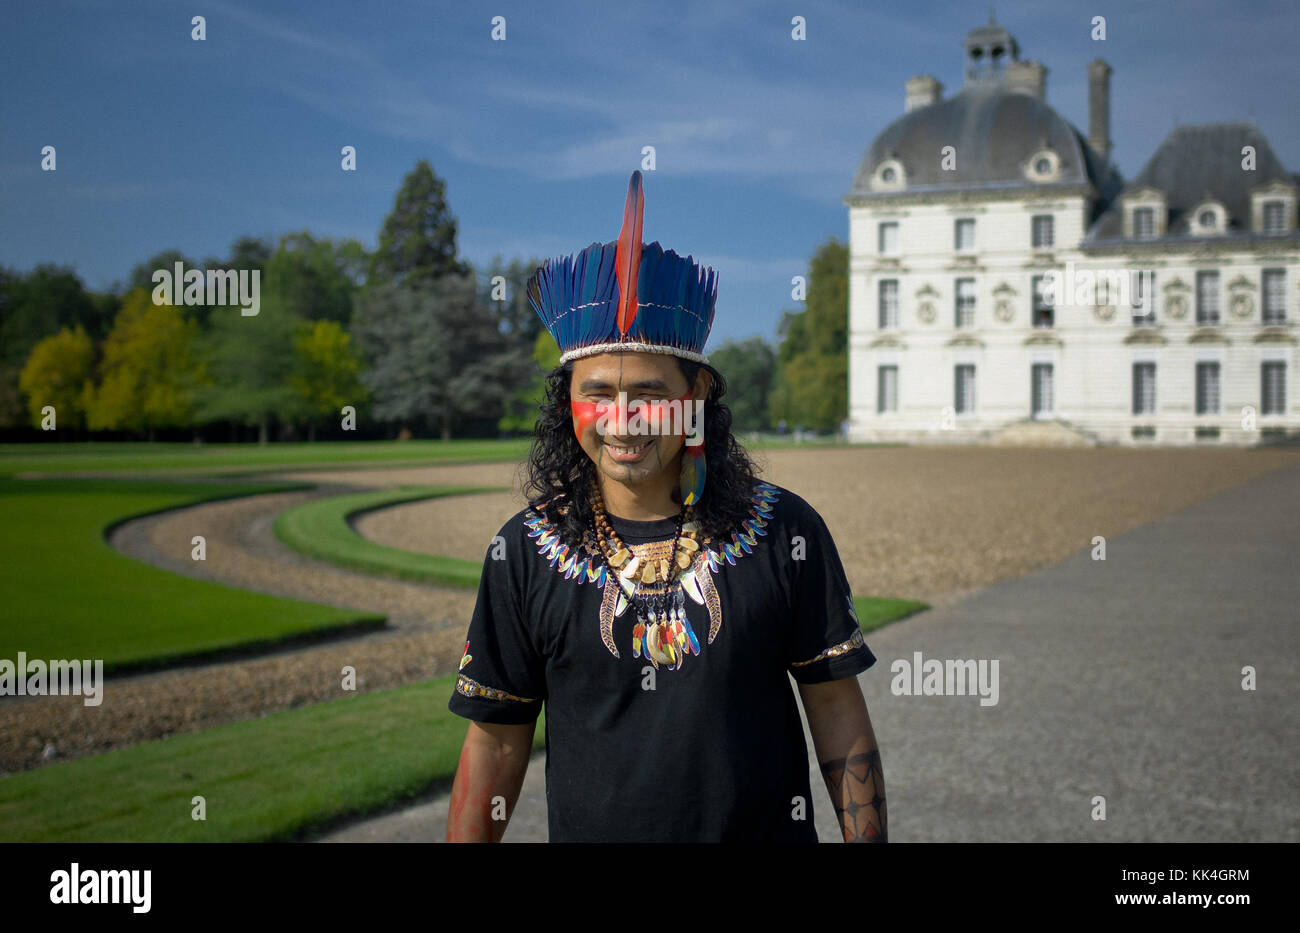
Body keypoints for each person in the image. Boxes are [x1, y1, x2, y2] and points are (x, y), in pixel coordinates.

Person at [446, 171, 885, 843]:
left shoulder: (785, 531)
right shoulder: (524, 551)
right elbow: (497, 745)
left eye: (649, 393)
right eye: (596, 393)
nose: (622, 421)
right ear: (569, 400)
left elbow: (834, 706)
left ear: (698, 391)